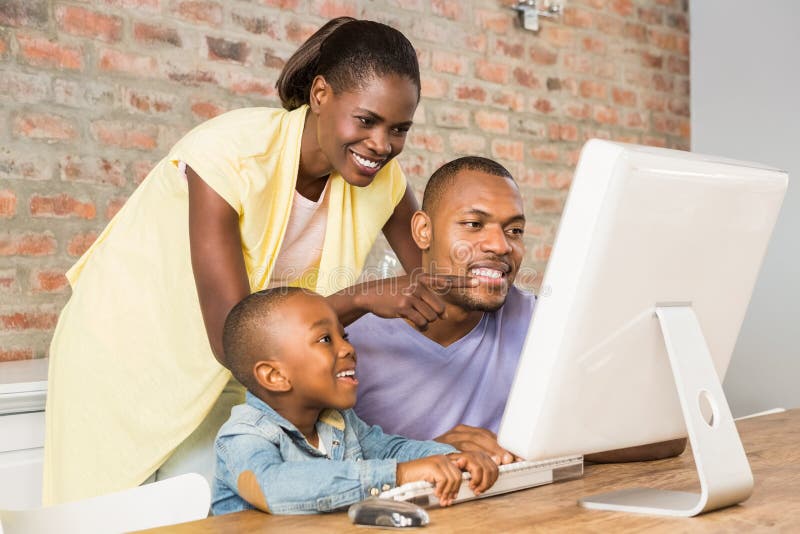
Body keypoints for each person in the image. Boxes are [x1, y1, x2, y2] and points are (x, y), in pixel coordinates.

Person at [44, 17, 470, 505]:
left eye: (399, 129)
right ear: (321, 94)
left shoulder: (384, 183)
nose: (382, 145)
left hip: (240, 370)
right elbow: (233, 338)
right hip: (127, 354)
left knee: (227, 507)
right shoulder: (226, 154)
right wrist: (363, 297)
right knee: (113, 513)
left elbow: (441, 286)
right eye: (366, 120)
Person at [350, 157, 687, 464]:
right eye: (473, 224)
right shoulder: (352, 337)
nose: (500, 245)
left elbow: (666, 435)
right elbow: (312, 465)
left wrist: (521, 449)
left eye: (514, 231)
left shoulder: (538, 323)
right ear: (424, 231)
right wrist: (430, 455)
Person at [212, 287, 498, 514]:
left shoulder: (337, 420)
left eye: (343, 335)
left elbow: (390, 449)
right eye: (326, 339)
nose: (348, 347)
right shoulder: (243, 436)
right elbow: (273, 486)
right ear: (275, 375)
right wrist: (397, 475)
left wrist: (450, 458)